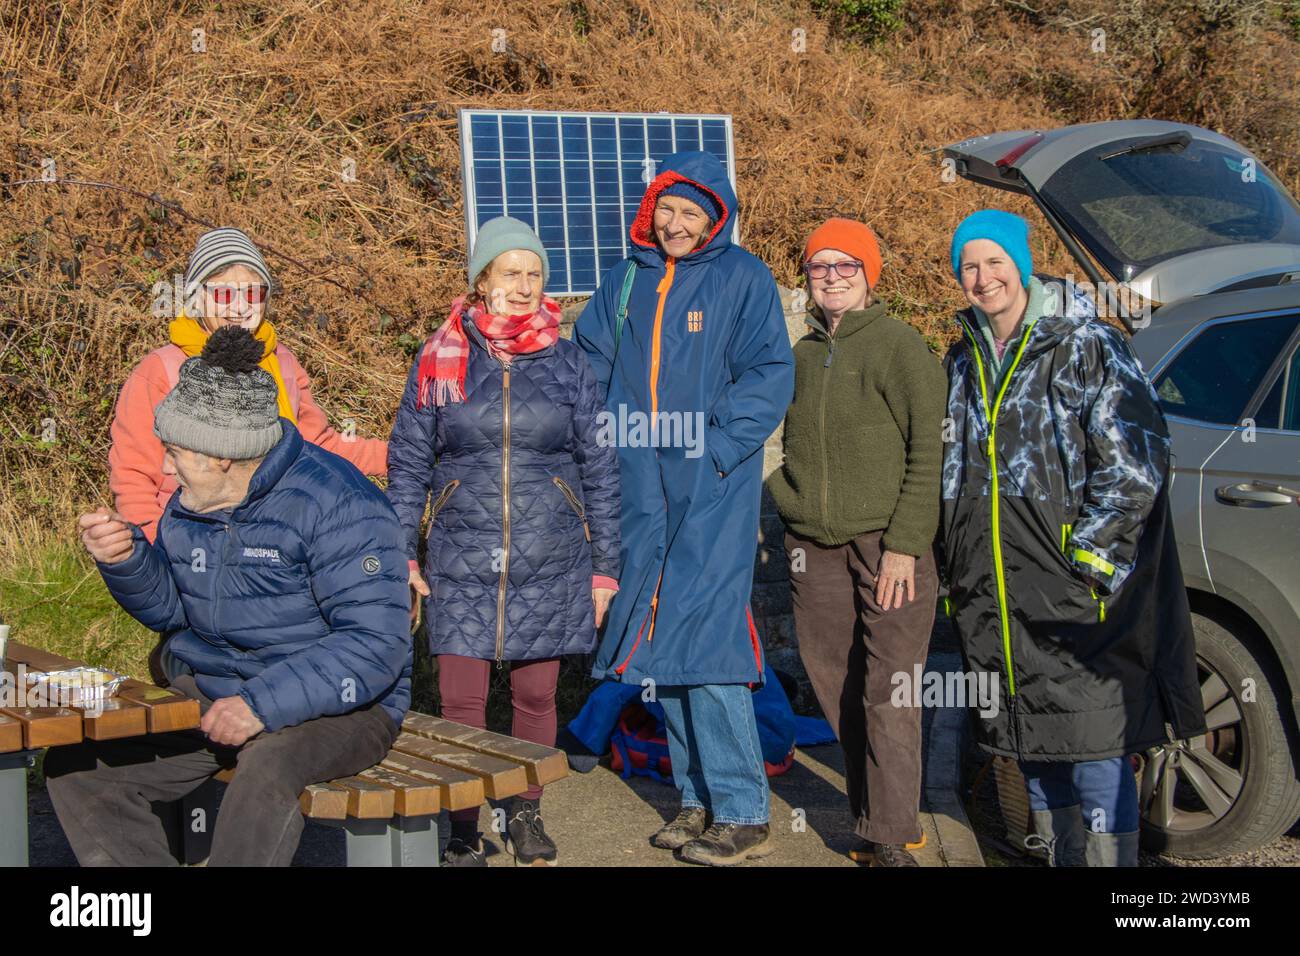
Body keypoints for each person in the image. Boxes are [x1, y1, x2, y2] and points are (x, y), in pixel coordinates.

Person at [46, 325, 411, 867]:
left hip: (344, 707)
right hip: (221, 693)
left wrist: (262, 704)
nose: (164, 468)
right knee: (78, 769)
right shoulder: (193, 501)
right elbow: (174, 611)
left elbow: (376, 646)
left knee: (265, 768)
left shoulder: (340, 505)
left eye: (173, 453)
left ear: (221, 456)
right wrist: (125, 562)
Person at [941, 209, 1206, 866]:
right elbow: (949, 471)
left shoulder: (1086, 343)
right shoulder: (962, 358)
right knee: (1035, 748)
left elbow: (1138, 456)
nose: (983, 277)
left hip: (1073, 597)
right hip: (997, 597)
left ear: (1021, 266)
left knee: (1093, 750)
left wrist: (1091, 559)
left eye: (995, 261)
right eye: (969, 266)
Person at [574, 150, 795, 866]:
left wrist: (723, 448)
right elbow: (588, 364)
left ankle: (743, 810)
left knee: (710, 642)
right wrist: (597, 443)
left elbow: (769, 369)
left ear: (715, 219)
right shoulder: (628, 278)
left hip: (711, 488)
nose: (675, 223)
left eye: (691, 213)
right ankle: (695, 800)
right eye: (667, 208)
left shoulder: (743, 277)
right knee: (657, 642)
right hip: (638, 484)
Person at [387, 215, 621, 867]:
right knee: (461, 700)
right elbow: (408, 461)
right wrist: (404, 551)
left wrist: (606, 567)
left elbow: (600, 465)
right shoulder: (440, 358)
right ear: (481, 280)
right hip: (460, 554)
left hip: (551, 556)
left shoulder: (568, 360)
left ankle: (524, 814)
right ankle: (463, 826)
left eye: (534, 273)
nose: (523, 285)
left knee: (536, 696)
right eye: (509, 271)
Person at [769, 218, 947, 867]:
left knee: (890, 687)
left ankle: (890, 835)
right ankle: (876, 814)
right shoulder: (800, 356)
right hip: (814, 548)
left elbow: (929, 450)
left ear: (870, 275)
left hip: (890, 546)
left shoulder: (900, 346)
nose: (834, 276)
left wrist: (905, 542)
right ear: (808, 278)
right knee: (837, 683)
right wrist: (786, 498)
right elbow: (768, 432)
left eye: (847, 265)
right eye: (821, 266)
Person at [109, 226, 387, 543]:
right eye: (225, 294)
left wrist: (402, 456)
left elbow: (317, 447)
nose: (240, 308)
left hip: (275, 534)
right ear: (197, 298)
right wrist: (154, 547)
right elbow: (133, 472)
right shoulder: (161, 369)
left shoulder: (282, 363)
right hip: (189, 535)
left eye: (253, 294)